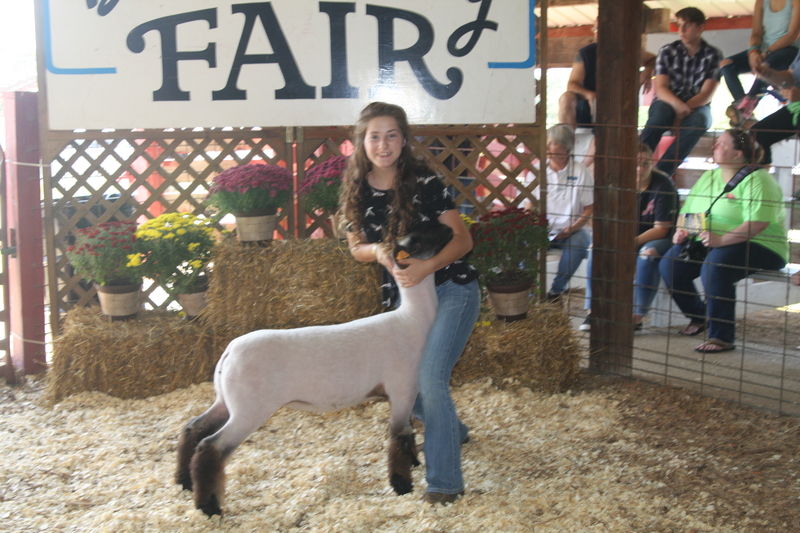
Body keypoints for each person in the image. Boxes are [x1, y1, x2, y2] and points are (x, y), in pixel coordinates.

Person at [340, 101, 480, 504]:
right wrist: (379, 253)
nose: (384, 144)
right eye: (375, 136)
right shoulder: (355, 188)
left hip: (452, 289)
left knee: (431, 378)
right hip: (403, 301)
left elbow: (463, 239)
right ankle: (452, 430)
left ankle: (444, 484)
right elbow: (356, 248)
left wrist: (426, 268)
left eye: (392, 135)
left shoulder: (423, 181)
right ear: (361, 142)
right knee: (399, 385)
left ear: (404, 139)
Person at [658, 129, 788, 353]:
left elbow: (758, 224)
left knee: (715, 266)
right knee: (670, 264)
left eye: (721, 144)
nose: (714, 146)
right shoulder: (710, 176)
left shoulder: (759, 180)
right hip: (712, 240)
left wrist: (721, 240)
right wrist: (683, 231)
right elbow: (689, 211)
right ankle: (700, 316)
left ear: (738, 154)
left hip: (761, 244)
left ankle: (721, 337)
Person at [580, 143, 677, 331]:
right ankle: (593, 310)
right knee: (595, 248)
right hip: (625, 237)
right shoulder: (618, 182)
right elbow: (602, 219)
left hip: (656, 238)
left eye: (646, 164)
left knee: (648, 254)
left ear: (652, 163)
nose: (640, 169)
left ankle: (637, 317)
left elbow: (661, 229)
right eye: (635, 164)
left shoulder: (663, 185)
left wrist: (628, 243)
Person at [558, 19, 656, 167]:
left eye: (602, 31)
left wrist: (648, 71)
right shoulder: (586, 54)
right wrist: (589, 94)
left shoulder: (630, 51)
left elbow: (654, 59)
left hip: (616, 107)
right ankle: (565, 144)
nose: (599, 35)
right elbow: (572, 84)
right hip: (588, 107)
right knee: (566, 98)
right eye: (597, 31)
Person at [640, 7, 723, 179]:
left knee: (700, 121)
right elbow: (661, 89)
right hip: (668, 101)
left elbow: (707, 93)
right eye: (679, 25)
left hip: (697, 105)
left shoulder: (713, 54)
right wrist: (679, 107)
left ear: (700, 28)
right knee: (659, 116)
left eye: (687, 25)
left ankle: (660, 175)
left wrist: (684, 110)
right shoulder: (667, 51)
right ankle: (637, 163)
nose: (681, 30)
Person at [523, 124, 593, 304]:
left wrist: (573, 228)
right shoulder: (536, 170)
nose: (547, 148)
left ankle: (556, 291)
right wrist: (532, 227)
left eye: (552, 143)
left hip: (570, 230)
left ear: (566, 147)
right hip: (542, 229)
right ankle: (531, 293)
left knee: (580, 242)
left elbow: (589, 208)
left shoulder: (580, 171)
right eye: (547, 143)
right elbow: (529, 206)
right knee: (523, 242)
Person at [722, 0, 800, 127]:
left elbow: (792, 35)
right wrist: (753, 51)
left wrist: (766, 53)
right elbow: (756, 33)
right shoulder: (762, 2)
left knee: (766, 66)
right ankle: (743, 106)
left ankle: (749, 103)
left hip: (788, 50)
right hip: (764, 52)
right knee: (726, 64)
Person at [749, 50, 800, 164]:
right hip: (795, 107)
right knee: (756, 135)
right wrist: (768, 73)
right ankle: (760, 178)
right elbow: (791, 76)